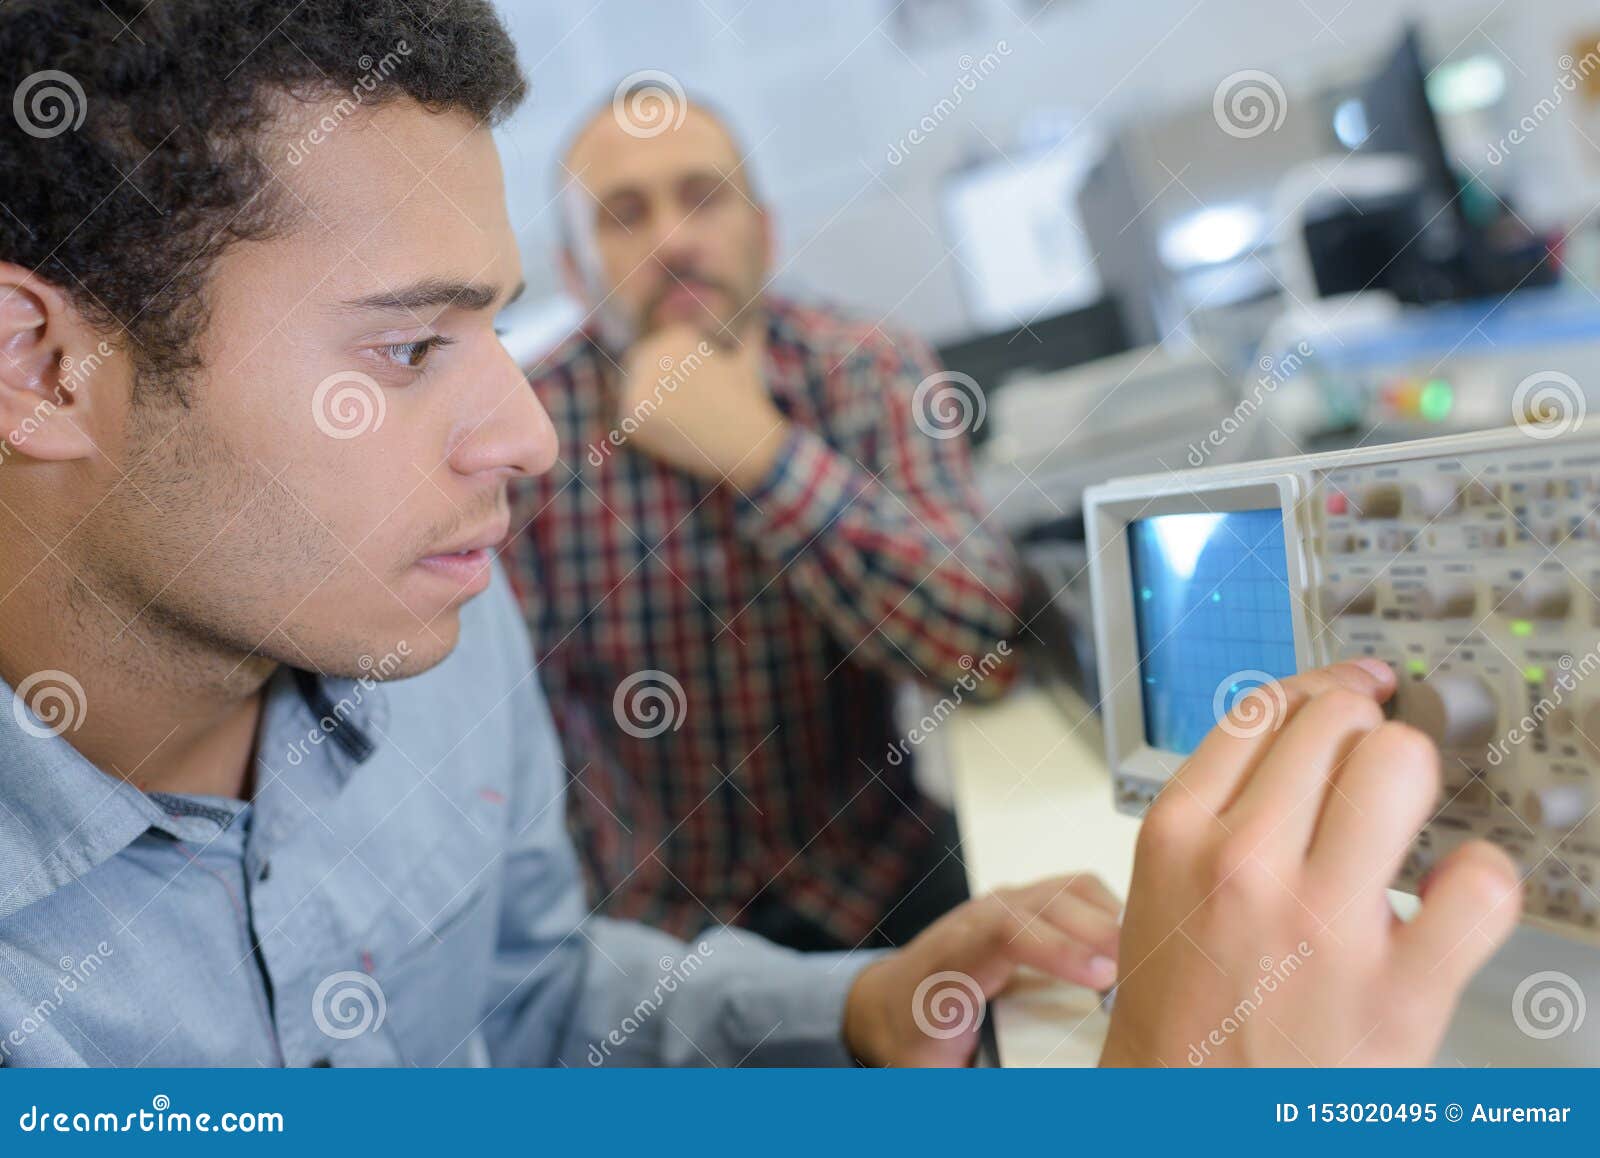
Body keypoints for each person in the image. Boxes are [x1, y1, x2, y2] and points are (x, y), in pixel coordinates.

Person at [0, 0, 1520, 1069]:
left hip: (852, 892)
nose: (520, 440)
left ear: (765, 227)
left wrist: (846, 1010)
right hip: (677, 890)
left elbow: (524, 1007)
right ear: (44, 363)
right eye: (406, 348)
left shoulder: (434, 624)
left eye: (485, 326)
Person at [504, 89, 1019, 952]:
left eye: (704, 198)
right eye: (625, 215)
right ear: (573, 271)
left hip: (879, 885)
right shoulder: (519, 439)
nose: (673, 241)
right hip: (643, 942)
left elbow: (981, 653)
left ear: (765, 233)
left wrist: (761, 455)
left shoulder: (865, 371)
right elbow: (511, 751)